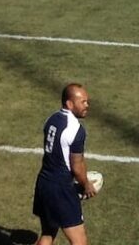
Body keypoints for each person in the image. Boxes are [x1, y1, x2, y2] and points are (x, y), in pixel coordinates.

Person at [33, 83, 95, 245]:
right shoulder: (76, 130)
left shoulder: (51, 119)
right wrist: (86, 184)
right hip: (60, 189)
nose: (87, 105)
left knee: (48, 233)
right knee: (79, 241)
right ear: (69, 103)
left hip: (43, 184)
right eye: (83, 102)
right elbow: (77, 165)